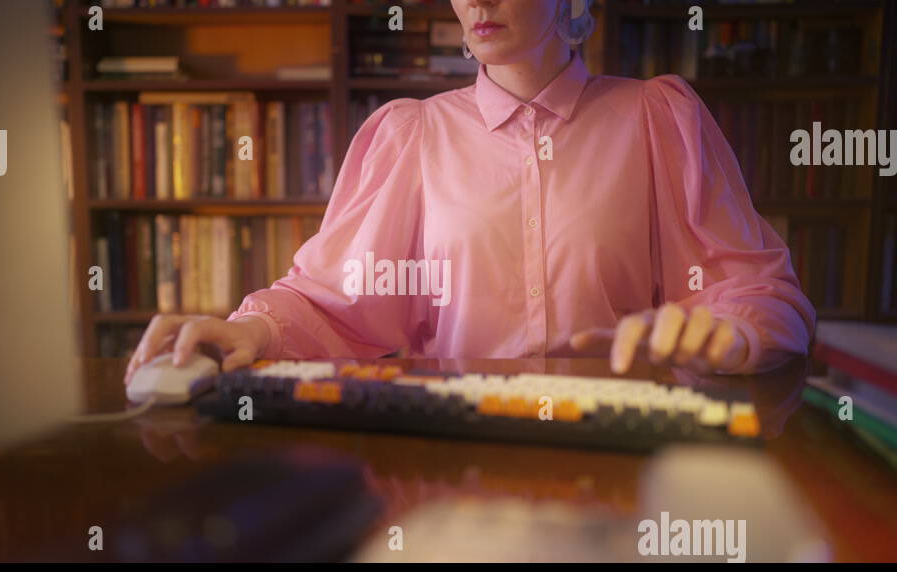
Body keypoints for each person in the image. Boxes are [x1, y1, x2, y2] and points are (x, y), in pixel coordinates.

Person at [125, 0, 815, 387]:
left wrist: (732, 335)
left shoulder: (657, 119)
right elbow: (335, 305)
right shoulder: (412, 136)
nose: (478, 1)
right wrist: (253, 329)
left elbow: (760, 292)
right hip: (459, 453)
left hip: (623, 452)